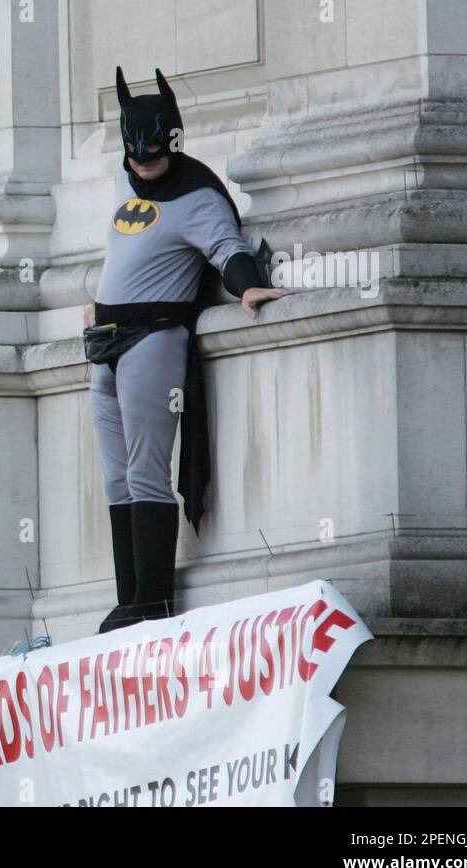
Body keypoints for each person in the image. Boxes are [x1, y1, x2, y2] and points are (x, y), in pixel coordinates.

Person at [90, 67, 287, 633]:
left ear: (172, 143)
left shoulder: (196, 192)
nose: (145, 165)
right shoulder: (125, 180)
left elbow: (228, 246)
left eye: (154, 155)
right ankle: (129, 598)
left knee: (145, 470)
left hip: (154, 340)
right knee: (116, 478)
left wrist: (247, 284)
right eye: (136, 156)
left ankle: (151, 601)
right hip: (104, 344)